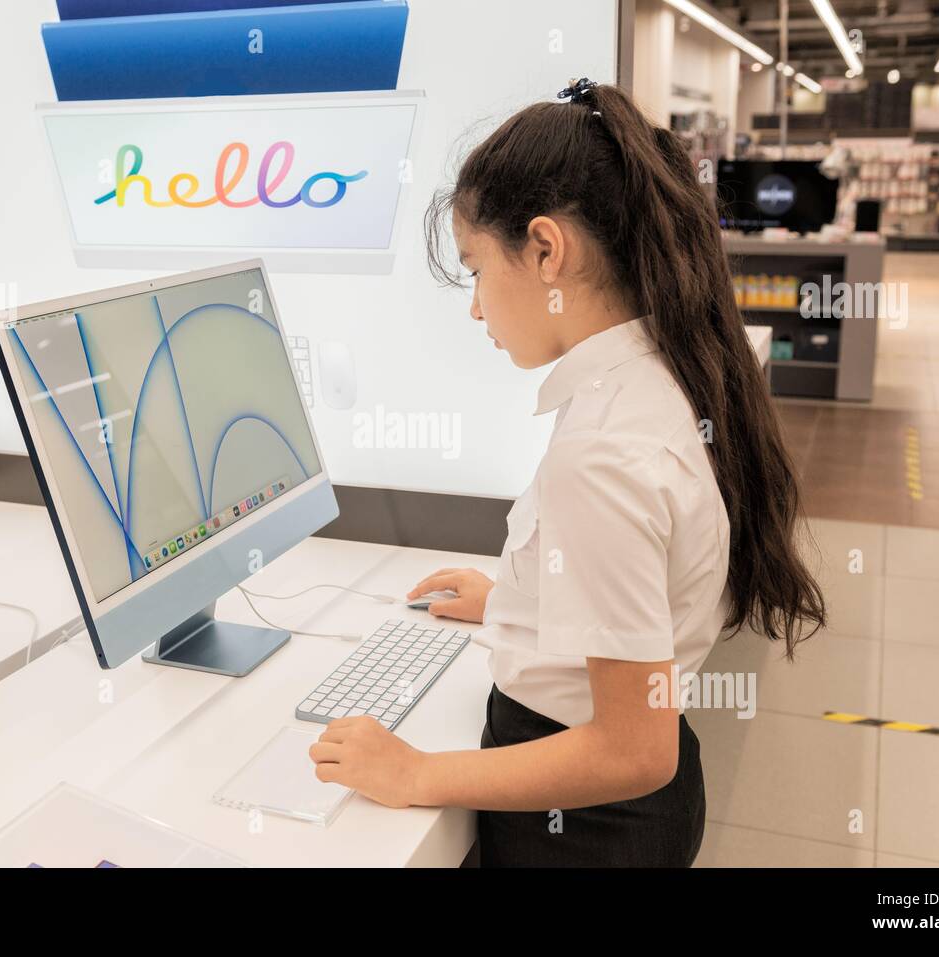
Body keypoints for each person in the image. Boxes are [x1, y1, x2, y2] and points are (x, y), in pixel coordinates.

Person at [308, 79, 826, 867]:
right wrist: (521, 605)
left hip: (584, 826)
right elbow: (647, 592)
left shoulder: (604, 454)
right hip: (636, 814)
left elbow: (630, 749)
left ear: (547, 250)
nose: (477, 309)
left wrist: (415, 772)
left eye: (477, 269)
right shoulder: (665, 375)